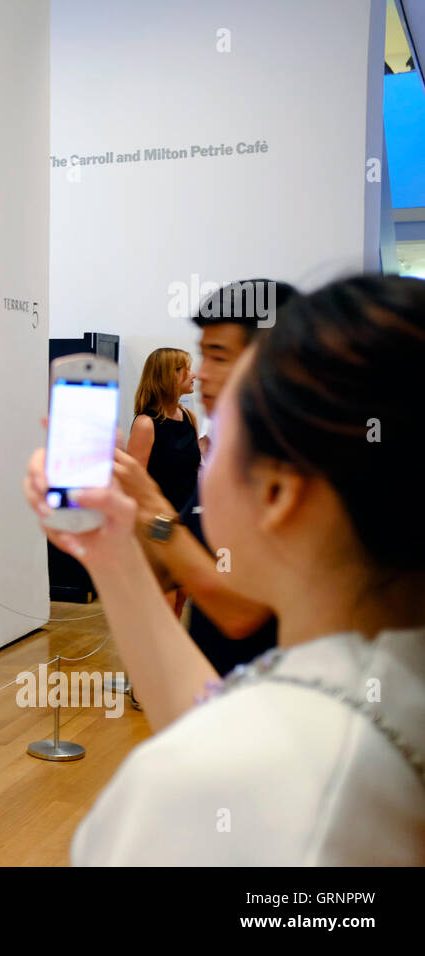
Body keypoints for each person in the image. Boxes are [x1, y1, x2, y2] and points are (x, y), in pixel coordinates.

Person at [24, 274, 425, 864]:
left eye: (232, 426)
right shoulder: (381, 678)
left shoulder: (217, 780)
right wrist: (110, 554)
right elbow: (214, 711)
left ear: (280, 491)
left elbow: (227, 745)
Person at [117, 280, 294, 677]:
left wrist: (158, 518)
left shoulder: (291, 473)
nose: (199, 375)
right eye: (194, 362)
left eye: (217, 357)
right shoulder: (160, 429)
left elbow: (237, 612)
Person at [126, 348, 199, 513]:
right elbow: (135, 484)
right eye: (186, 370)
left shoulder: (189, 417)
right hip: (159, 520)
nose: (193, 375)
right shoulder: (146, 424)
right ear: (169, 375)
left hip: (187, 516)